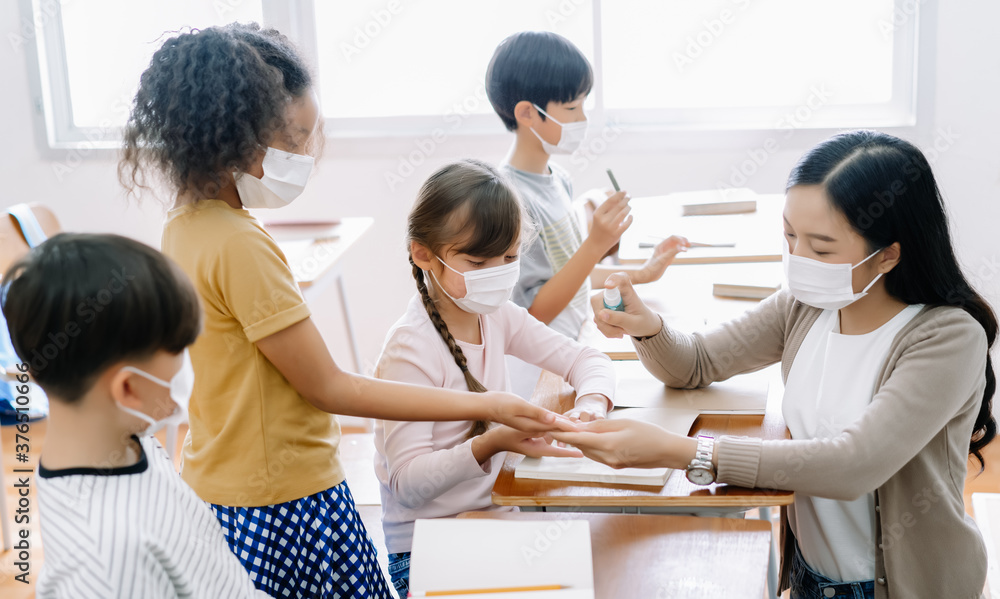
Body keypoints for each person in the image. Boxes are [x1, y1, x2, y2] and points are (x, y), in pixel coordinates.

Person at [119, 23, 569, 598]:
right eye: (296, 139)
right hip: (285, 497)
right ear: (236, 138)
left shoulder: (184, 226)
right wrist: (490, 406)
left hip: (226, 483)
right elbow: (330, 387)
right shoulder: (240, 244)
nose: (306, 154)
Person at [554, 130, 996, 599]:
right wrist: (646, 326)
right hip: (810, 575)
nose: (798, 259)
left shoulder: (946, 338)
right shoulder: (808, 304)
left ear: (888, 254)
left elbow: (853, 465)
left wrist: (684, 453)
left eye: (821, 247)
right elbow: (697, 363)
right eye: (789, 235)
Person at [372, 160, 616, 595]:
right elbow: (407, 485)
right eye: (479, 261)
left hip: (497, 513)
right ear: (424, 254)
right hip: (426, 546)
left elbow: (586, 358)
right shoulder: (409, 350)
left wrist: (591, 407)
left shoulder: (496, 315)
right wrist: (493, 442)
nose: (500, 272)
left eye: (510, 257)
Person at [2, 233, 269, 598]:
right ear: (128, 389)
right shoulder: (106, 564)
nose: (186, 368)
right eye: (180, 352)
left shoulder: (124, 437)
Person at [485, 31, 687, 397]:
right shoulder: (509, 199)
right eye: (572, 108)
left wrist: (641, 273)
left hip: (572, 347)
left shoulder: (557, 178)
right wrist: (595, 244)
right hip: (538, 369)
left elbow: (566, 271)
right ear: (528, 113)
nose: (582, 118)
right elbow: (533, 312)